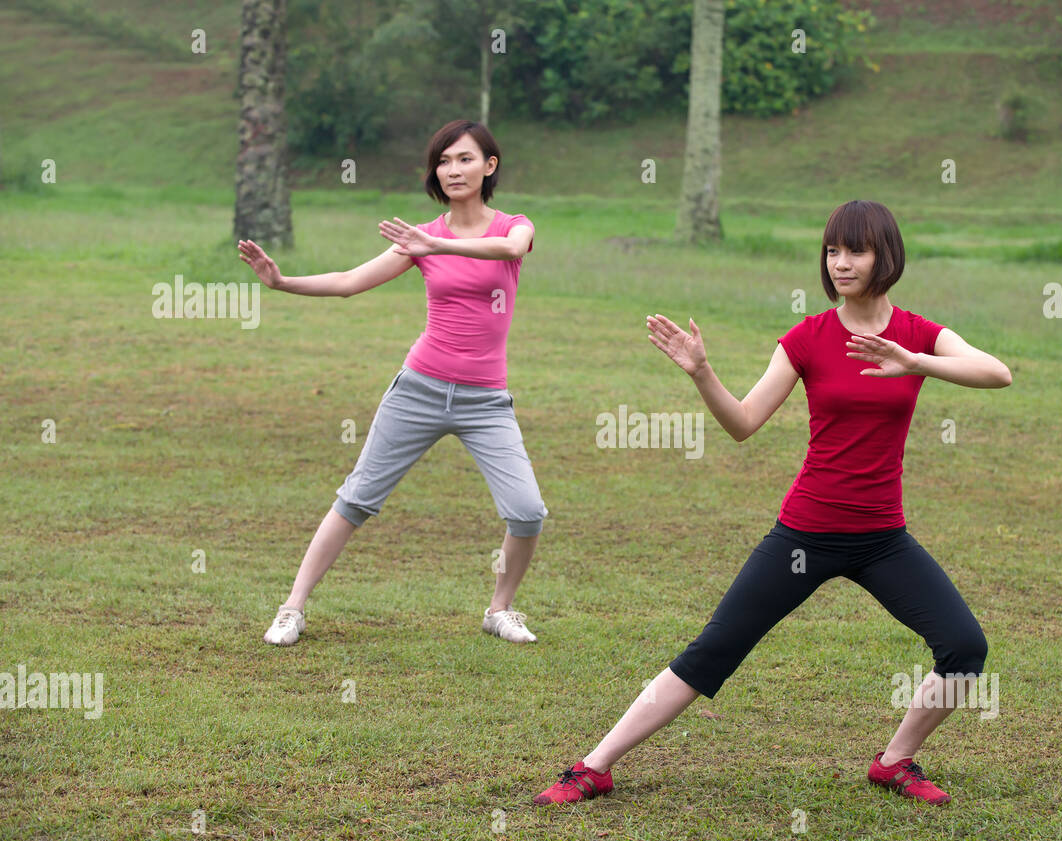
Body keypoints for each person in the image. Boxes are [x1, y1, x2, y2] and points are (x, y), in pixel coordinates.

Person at [534, 199, 1012, 806]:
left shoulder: (920, 334)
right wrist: (703, 372)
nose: (840, 263)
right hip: (804, 535)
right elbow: (743, 423)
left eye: (855, 250)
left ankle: (895, 761)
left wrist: (915, 362)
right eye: (832, 250)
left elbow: (998, 373)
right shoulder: (807, 338)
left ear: (885, 255)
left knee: (965, 648)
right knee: (713, 651)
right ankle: (593, 767)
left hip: (883, 538)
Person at [237, 120, 546, 647]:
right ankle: (292, 608)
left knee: (527, 511)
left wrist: (435, 246)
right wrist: (282, 282)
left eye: (465, 159)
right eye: (444, 161)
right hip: (420, 387)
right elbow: (349, 283)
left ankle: (500, 610)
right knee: (357, 498)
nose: (453, 170)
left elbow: (511, 251)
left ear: (489, 166)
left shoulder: (513, 225)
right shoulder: (421, 239)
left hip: (486, 400)